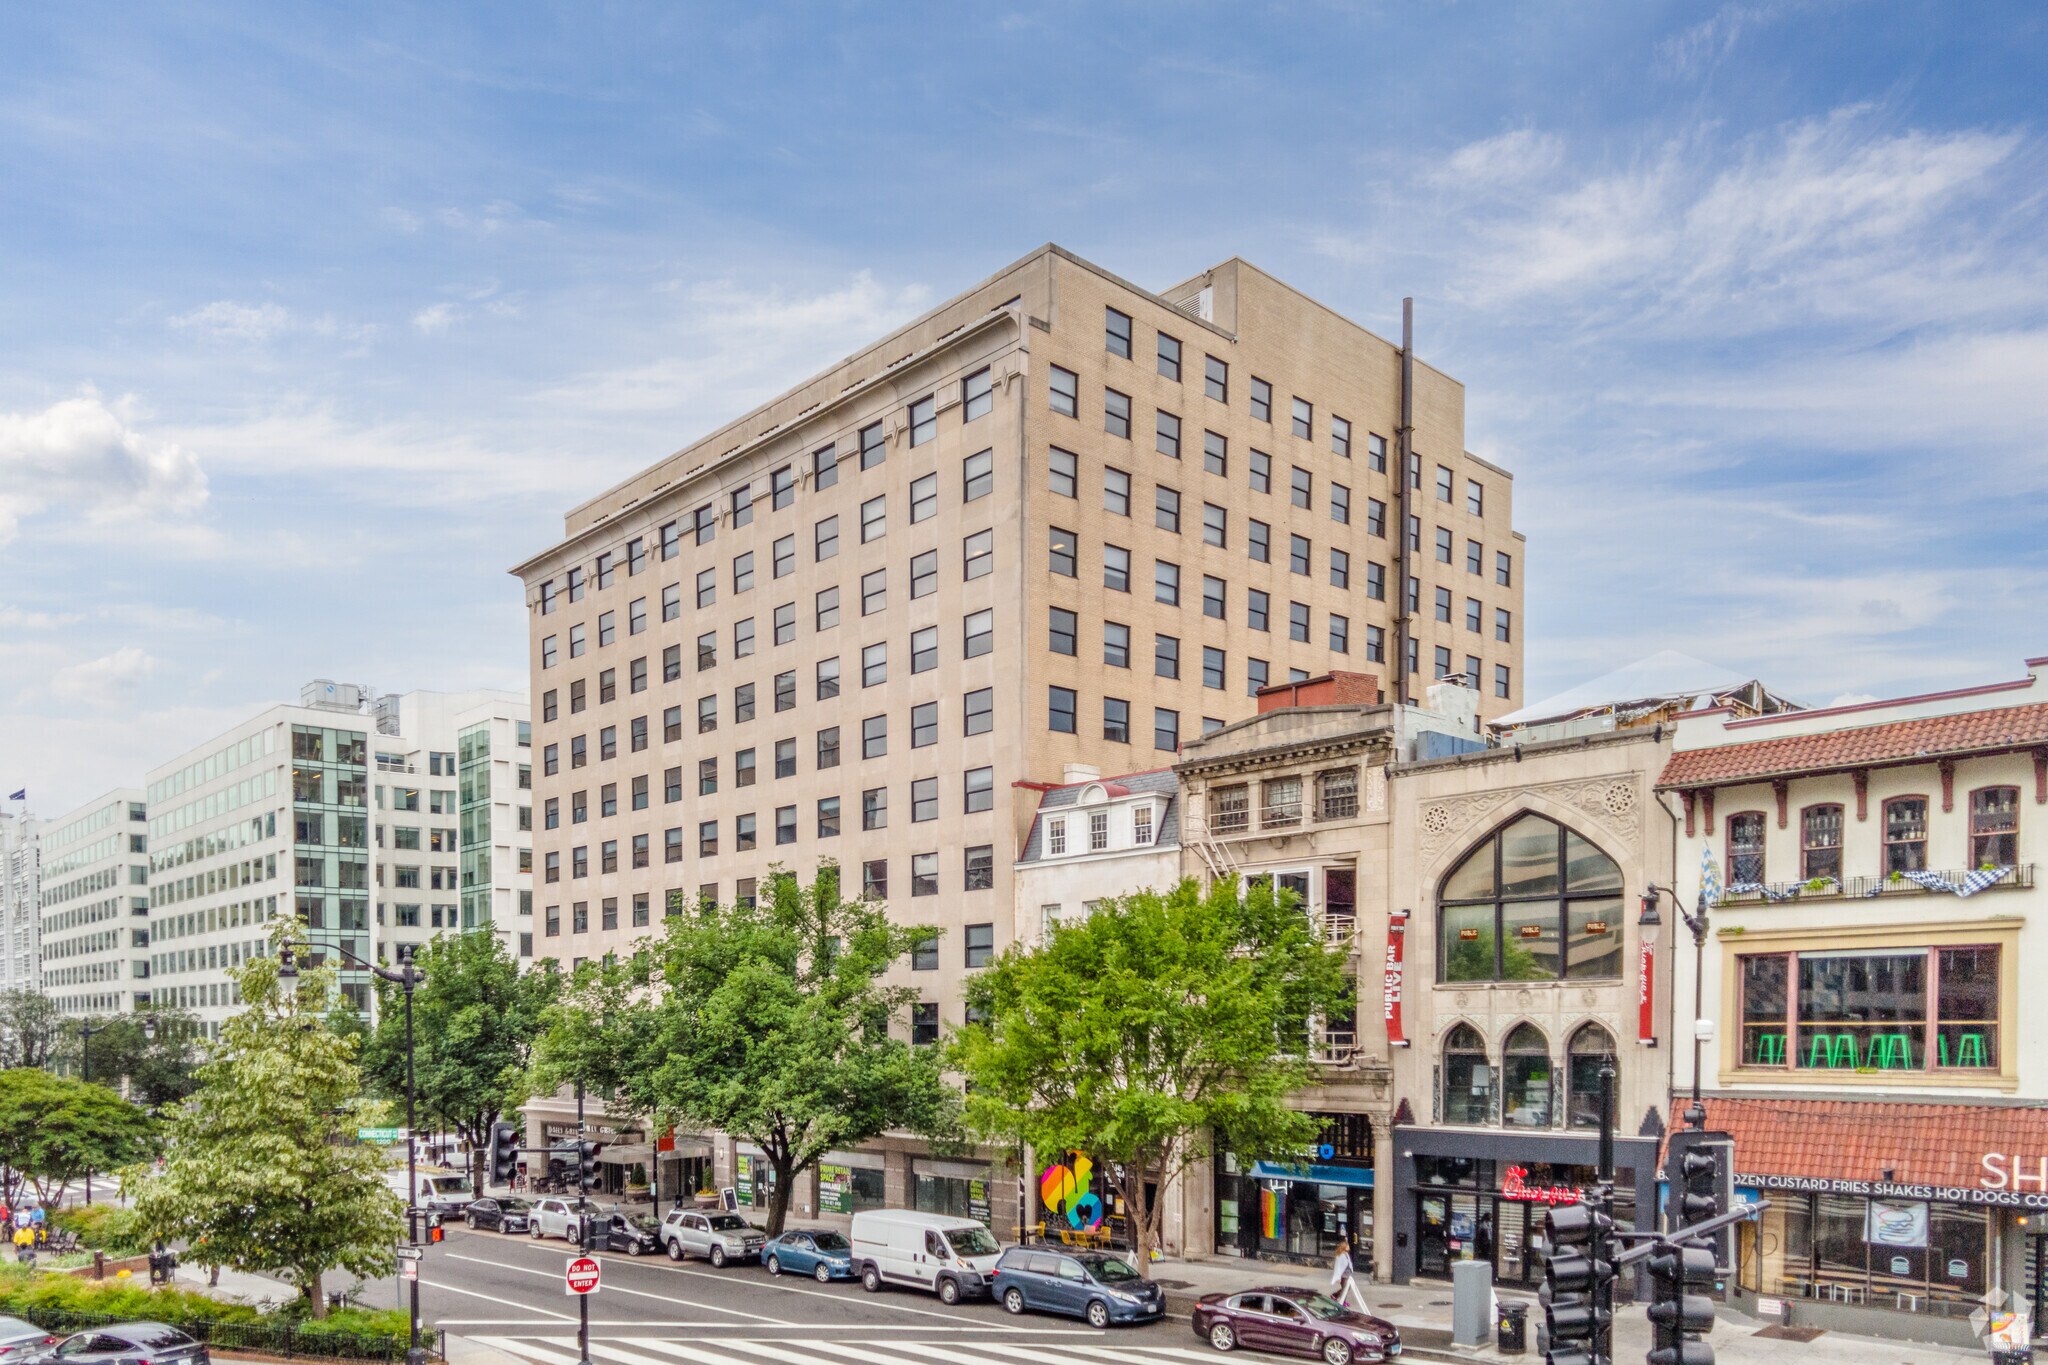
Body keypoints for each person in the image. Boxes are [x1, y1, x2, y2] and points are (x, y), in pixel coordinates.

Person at [1329, 1236, 1370, 1312]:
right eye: (1347, 1246)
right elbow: (1338, 1268)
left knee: (1346, 1288)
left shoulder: (1346, 1254)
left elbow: (1348, 1264)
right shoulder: (1341, 1256)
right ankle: (1337, 1297)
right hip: (1343, 1275)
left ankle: (1340, 1298)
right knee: (1346, 1288)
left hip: (1347, 1274)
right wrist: (1338, 1277)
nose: (1349, 1247)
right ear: (1344, 1247)